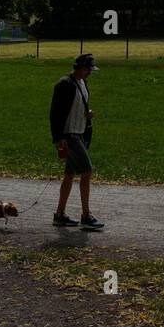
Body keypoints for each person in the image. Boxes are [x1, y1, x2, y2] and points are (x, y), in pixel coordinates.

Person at [50, 53, 105, 230]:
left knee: (69, 175)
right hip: (69, 134)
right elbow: (55, 113)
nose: (90, 72)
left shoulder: (82, 83)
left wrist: (87, 113)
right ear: (80, 68)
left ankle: (60, 214)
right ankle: (86, 215)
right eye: (88, 69)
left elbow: (77, 104)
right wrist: (59, 138)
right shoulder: (64, 84)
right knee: (87, 171)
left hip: (80, 132)